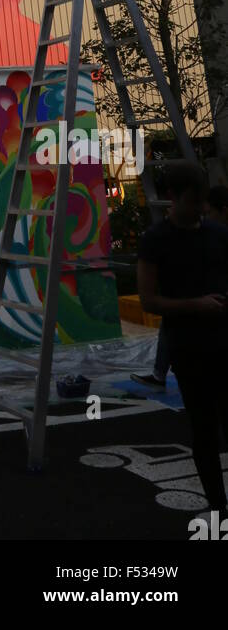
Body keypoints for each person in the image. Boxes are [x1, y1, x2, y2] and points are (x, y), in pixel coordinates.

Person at [138, 164, 228, 516]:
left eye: (202, 202)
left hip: (222, 340)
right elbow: (149, 300)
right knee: (204, 427)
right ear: (173, 198)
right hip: (189, 347)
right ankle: (217, 504)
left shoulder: (218, 235)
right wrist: (196, 305)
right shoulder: (156, 240)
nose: (200, 210)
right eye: (193, 202)